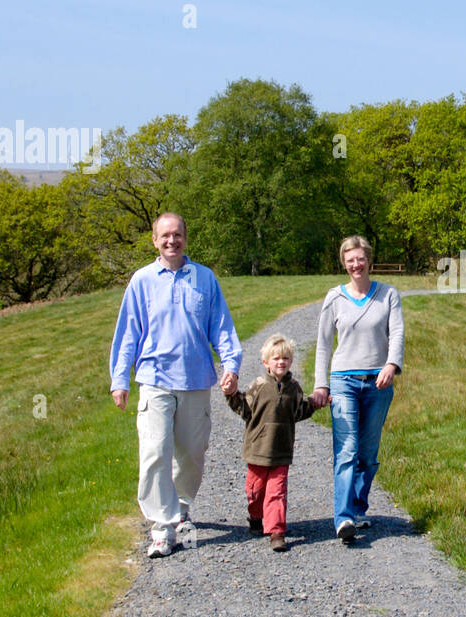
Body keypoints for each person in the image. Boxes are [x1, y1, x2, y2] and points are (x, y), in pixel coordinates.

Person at [109, 213, 241, 558]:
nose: (172, 241)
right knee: (155, 452)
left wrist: (231, 364)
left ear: (185, 238)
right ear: (155, 240)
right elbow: (127, 333)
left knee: (192, 453)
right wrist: (120, 379)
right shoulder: (142, 280)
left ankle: (181, 506)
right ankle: (162, 528)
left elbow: (221, 326)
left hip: (196, 380)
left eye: (177, 234)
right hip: (154, 379)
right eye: (165, 235)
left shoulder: (204, 278)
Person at [312, 236, 403, 543]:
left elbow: (397, 333)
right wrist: (321, 384)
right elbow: (324, 344)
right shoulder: (334, 297)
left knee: (368, 453)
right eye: (350, 260)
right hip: (344, 381)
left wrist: (391, 365)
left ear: (369, 261)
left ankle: (358, 507)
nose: (356, 264)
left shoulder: (388, 294)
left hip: (377, 381)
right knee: (347, 450)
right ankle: (344, 517)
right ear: (344, 263)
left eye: (360, 259)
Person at [223, 333, 320, 552]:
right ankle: (256, 516)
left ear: (291, 362)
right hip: (257, 450)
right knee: (255, 491)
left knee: (277, 492)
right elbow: (244, 409)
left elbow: (299, 412)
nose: (281, 362)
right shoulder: (258, 386)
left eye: (285, 358)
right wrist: (231, 394)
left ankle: (276, 531)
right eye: (276, 358)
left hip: (281, 451)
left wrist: (315, 404)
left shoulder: (294, 389)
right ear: (266, 362)